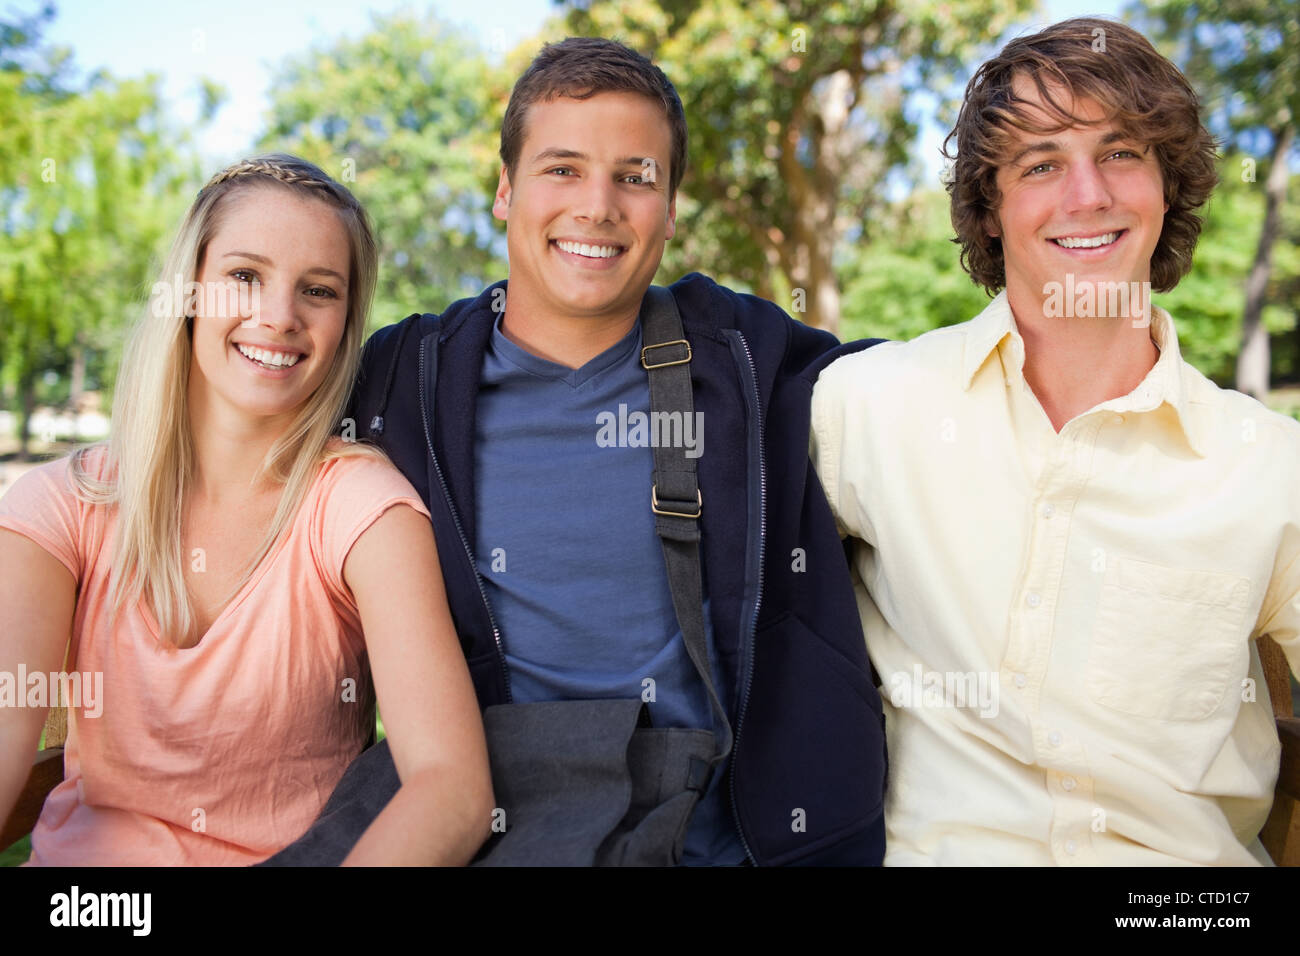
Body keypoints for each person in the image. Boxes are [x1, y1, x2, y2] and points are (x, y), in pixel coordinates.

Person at [272, 38, 887, 866]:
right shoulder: (401, 383)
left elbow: (917, 402)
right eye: (562, 168)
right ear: (504, 190)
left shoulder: (746, 357)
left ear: (669, 210)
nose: (598, 206)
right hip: (500, 835)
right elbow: (235, 436)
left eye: (636, 177)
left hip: (725, 843)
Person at [811, 17, 1300, 865]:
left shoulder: (1269, 466)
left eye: (1121, 153)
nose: (1087, 196)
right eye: (1041, 164)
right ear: (991, 211)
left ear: (1166, 186)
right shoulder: (869, 407)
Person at [0, 154, 493, 865]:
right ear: (189, 291)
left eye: (318, 290)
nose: (279, 316)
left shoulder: (361, 506)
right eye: (244, 276)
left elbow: (452, 787)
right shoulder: (59, 505)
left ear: (346, 320)